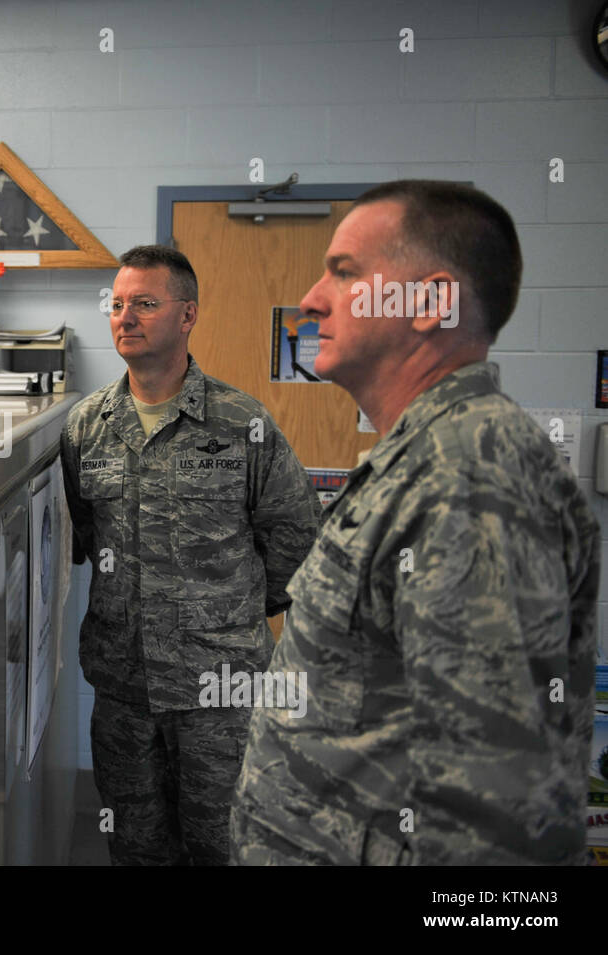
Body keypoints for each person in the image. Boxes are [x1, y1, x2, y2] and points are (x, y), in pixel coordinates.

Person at [231, 181, 600, 865]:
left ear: (429, 302)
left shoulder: (471, 472)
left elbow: (496, 813)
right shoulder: (421, 454)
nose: (311, 299)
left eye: (344, 272)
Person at [59, 245, 319, 865]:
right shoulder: (85, 427)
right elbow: (85, 538)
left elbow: (296, 536)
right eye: (118, 304)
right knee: (135, 847)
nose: (125, 317)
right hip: (124, 692)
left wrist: (226, 619)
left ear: (188, 315)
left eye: (145, 303)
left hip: (219, 691)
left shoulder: (240, 423)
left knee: (223, 847)